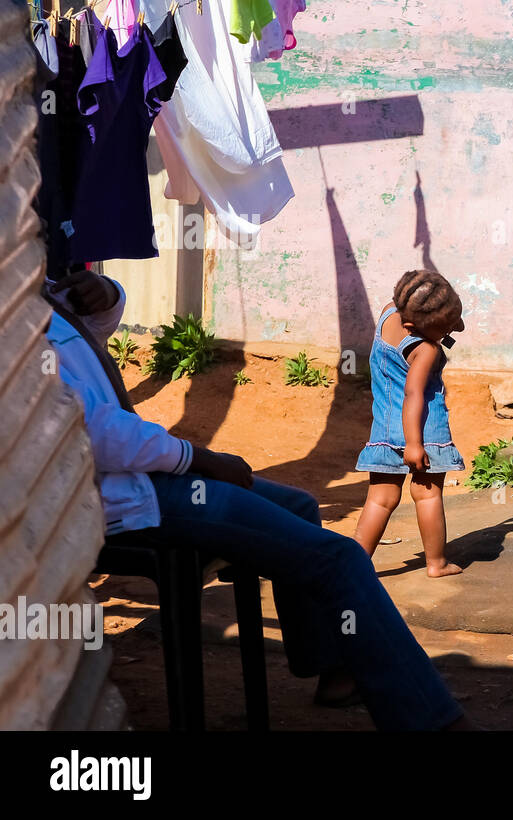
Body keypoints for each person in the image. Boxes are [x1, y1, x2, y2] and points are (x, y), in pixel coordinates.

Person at [43, 269, 468, 730]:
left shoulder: (34, 294)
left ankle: (333, 669)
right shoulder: (15, 326)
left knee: (302, 507)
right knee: (339, 558)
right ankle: (433, 722)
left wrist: (107, 296)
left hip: (138, 474)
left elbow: (88, 339)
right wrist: (194, 458)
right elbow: (92, 427)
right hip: (121, 492)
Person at [352, 269, 466, 578]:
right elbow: (414, 393)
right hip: (423, 430)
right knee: (426, 494)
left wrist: (448, 320)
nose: (452, 332)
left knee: (380, 499)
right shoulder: (425, 349)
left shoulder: (391, 312)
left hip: (386, 429)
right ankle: (436, 563)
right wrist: (414, 443)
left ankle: (354, 565)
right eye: (446, 329)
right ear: (414, 327)